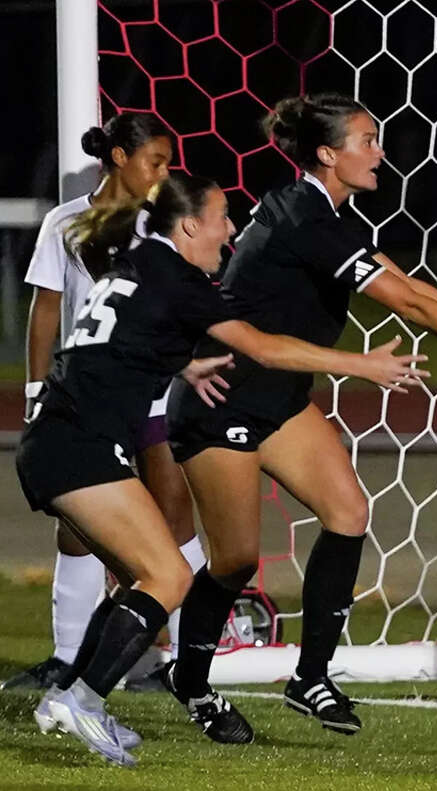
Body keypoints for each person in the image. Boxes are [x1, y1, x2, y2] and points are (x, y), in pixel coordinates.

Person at [164, 93, 437, 744]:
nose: (380, 151)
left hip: (281, 399)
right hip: (223, 397)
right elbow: (405, 301)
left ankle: (310, 676)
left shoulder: (324, 214)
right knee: (234, 561)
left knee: (348, 511)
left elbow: (403, 282)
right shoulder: (306, 218)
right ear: (328, 154)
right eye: (367, 139)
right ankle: (193, 679)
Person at [19, 172, 428, 766]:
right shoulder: (180, 279)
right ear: (188, 226)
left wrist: (182, 367)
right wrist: (359, 364)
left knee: (152, 575)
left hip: (62, 440)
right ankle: (79, 698)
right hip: (79, 447)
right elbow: (264, 348)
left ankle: (79, 694)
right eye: (221, 217)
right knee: (169, 577)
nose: (230, 229)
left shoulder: (137, 264)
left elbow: (123, 338)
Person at [3, 113, 206, 693]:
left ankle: (188, 660)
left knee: (172, 512)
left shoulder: (164, 225)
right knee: (78, 524)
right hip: (87, 392)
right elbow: (46, 310)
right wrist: (36, 393)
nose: (165, 174)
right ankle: (68, 657)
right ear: (119, 157)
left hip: (156, 389)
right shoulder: (64, 223)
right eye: (156, 161)